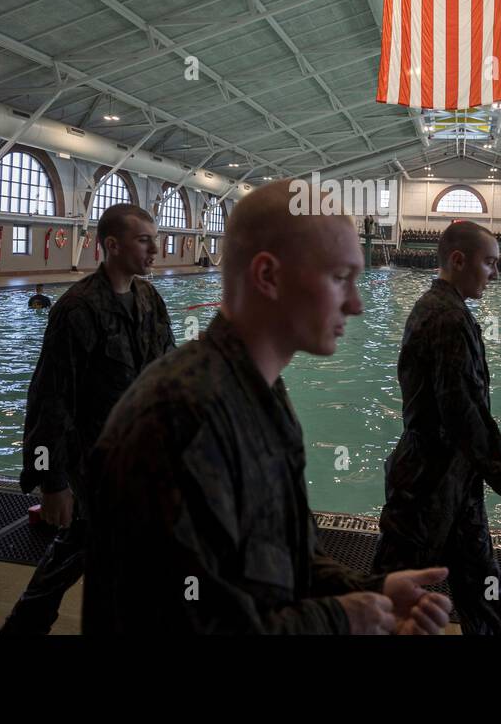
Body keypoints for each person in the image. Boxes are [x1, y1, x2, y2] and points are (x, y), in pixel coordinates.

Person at [84, 182, 453, 634]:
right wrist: (341, 619)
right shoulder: (182, 418)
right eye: (340, 278)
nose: (355, 304)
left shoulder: (260, 392)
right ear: (268, 276)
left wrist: (369, 589)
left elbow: (283, 551)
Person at [0, 205, 174, 635]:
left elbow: (168, 373)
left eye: (156, 238)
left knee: (97, 547)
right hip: (92, 464)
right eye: (145, 240)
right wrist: (52, 481)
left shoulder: (150, 299)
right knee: (80, 547)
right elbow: (49, 401)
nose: (157, 248)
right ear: (112, 245)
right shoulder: (77, 309)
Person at [372, 221, 501, 635]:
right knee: (391, 598)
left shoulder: (444, 309)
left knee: (484, 587)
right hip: (427, 484)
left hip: (452, 477)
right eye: (489, 263)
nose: (496, 274)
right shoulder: (447, 318)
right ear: (458, 260)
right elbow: (462, 412)